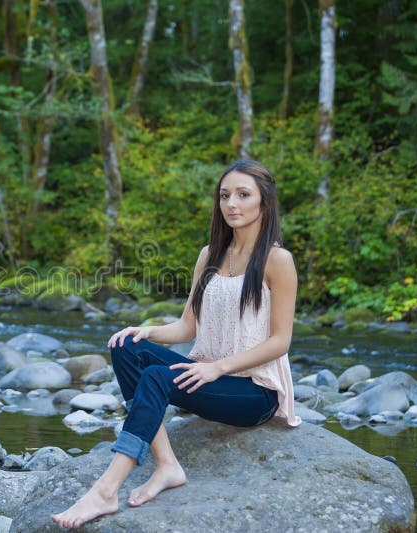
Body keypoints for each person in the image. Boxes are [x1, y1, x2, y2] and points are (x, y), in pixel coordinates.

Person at [50, 159, 302, 529]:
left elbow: (281, 341)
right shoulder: (210, 255)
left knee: (155, 377)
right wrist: (146, 330)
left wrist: (218, 367)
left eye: (243, 195)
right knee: (126, 348)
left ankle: (106, 490)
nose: (231, 204)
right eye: (224, 195)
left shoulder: (278, 260)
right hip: (207, 375)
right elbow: (187, 327)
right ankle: (166, 464)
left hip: (253, 391)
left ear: (264, 201)